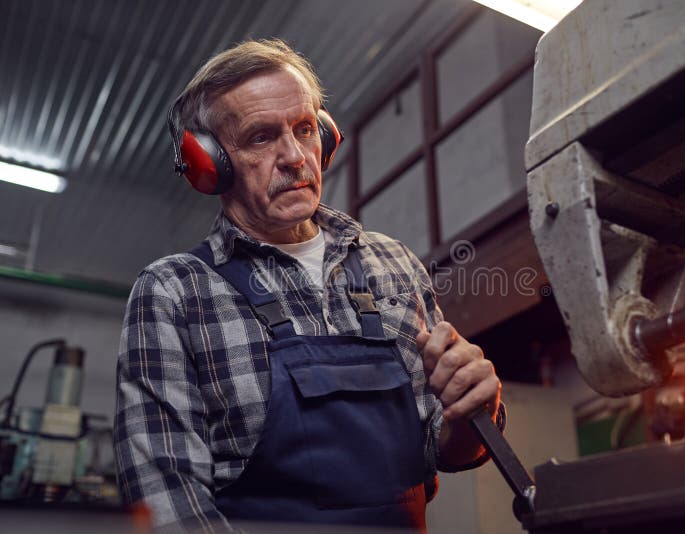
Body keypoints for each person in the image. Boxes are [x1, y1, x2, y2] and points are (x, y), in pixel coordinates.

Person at [114, 38, 503, 532]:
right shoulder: (174, 292)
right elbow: (166, 494)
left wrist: (471, 412)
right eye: (260, 137)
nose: (296, 156)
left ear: (327, 135)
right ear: (210, 165)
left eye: (304, 129)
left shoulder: (395, 265)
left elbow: (444, 450)